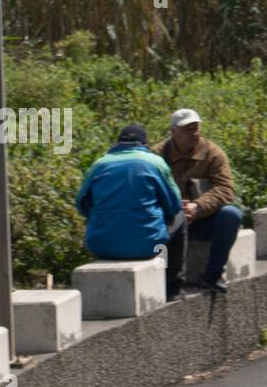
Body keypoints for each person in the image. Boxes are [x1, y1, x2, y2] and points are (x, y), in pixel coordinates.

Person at [154, 108, 243, 295]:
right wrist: (175, 208)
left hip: (201, 219)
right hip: (170, 222)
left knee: (231, 215)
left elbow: (225, 190)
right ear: (173, 132)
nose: (194, 133)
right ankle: (159, 279)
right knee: (151, 224)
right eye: (187, 129)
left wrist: (198, 206)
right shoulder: (156, 157)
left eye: (196, 128)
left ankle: (213, 275)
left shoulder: (213, 154)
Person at [75, 124, 181, 263]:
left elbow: (81, 204)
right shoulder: (155, 163)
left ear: (118, 143)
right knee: (181, 216)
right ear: (144, 144)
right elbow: (174, 204)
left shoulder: (99, 165)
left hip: (101, 245)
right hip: (149, 245)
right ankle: (173, 280)